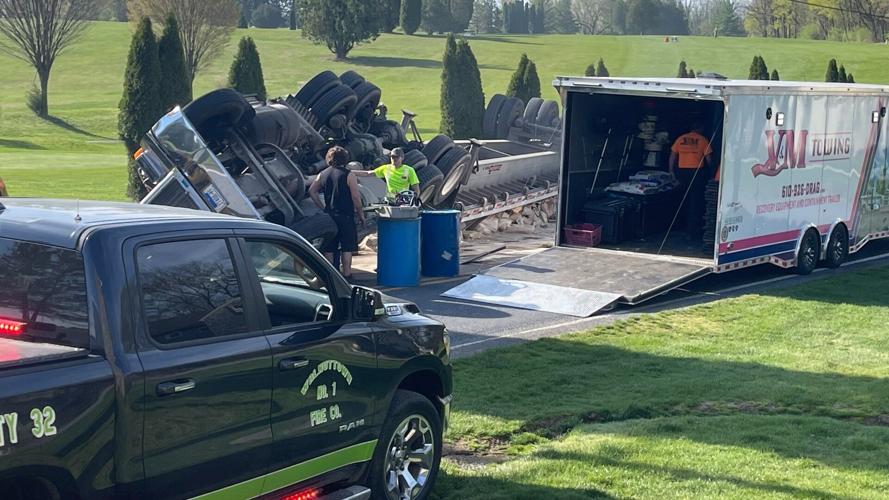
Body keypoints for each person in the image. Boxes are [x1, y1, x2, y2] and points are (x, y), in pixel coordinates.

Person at [308, 146, 365, 280]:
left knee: (330, 247)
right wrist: (360, 213)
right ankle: (347, 274)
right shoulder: (348, 174)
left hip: (330, 216)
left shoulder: (323, 174)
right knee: (346, 247)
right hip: (345, 215)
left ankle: (331, 275)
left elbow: (312, 191)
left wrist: (322, 207)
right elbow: (355, 196)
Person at [669, 123, 713, 240]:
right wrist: (712, 173)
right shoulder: (703, 140)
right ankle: (692, 230)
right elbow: (709, 159)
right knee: (695, 201)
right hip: (697, 173)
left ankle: (681, 226)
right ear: (700, 128)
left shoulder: (680, 139)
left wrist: (671, 171)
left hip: (682, 172)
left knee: (683, 199)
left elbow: (672, 156)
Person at [352, 147, 420, 200]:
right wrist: (350, 172)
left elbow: (416, 189)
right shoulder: (386, 168)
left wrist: (413, 201)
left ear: (402, 158)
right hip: (390, 200)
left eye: (396, 157)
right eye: (392, 157)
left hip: (404, 200)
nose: (394, 159)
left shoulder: (409, 170)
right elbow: (368, 173)